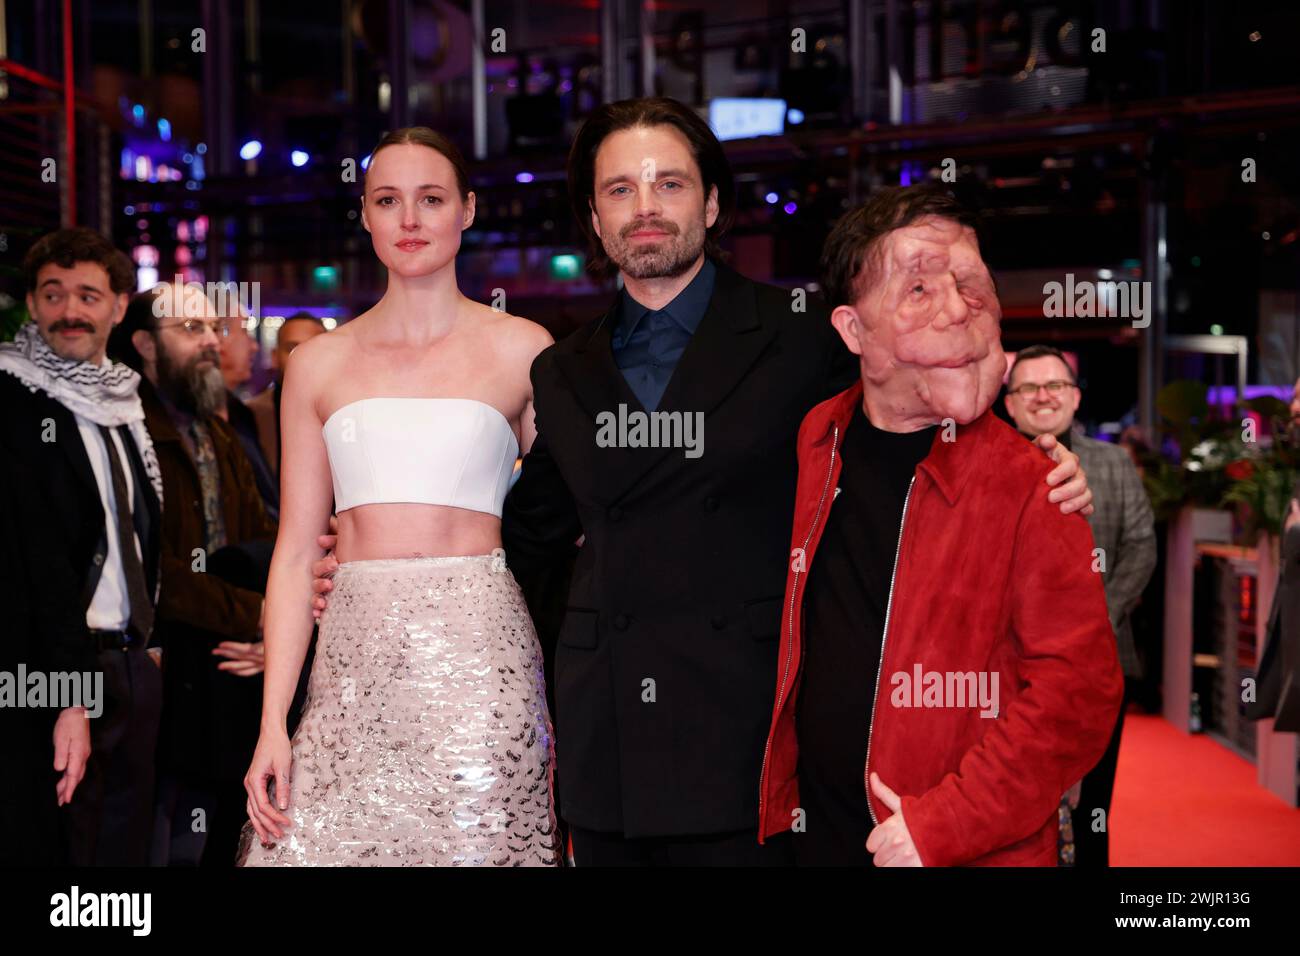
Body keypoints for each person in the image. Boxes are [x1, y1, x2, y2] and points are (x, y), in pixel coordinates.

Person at [314, 98, 1092, 866]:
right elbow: (527, 534)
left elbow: (906, 412)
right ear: (594, 215)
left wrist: (1031, 459)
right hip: (608, 736)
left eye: (670, 184)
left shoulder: (798, 338)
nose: (645, 207)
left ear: (713, 203)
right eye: (620, 189)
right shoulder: (561, 369)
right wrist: (386, 570)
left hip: (746, 739)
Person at [757, 185, 1123, 866]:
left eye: (972, 288)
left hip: (959, 849)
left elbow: (1078, 695)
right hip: (818, 833)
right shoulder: (818, 438)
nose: (959, 311)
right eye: (920, 290)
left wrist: (944, 824)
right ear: (853, 331)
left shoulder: (1035, 482)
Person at [239, 126, 560, 867]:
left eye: (431, 199)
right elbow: (294, 553)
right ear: (366, 215)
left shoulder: (526, 350)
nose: (409, 220)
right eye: (388, 200)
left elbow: (568, 516)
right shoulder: (317, 364)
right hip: (351, 672)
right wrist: (272, 724)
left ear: (467, 211)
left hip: (483, 670)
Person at [0, 227, 163, 866]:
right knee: (63, 852)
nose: (71, 311)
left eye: (89, 295)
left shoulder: (123, 400)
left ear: (119, 306)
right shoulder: (13, 401)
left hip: (131, 662)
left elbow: (139, 536)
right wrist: (68, 690)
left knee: (124, 851)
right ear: (34, 306)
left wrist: (153, 647)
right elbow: (30, 563)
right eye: (53, 294)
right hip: (51, 672)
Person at [111, 282, 276, 866]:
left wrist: (271, 627)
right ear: (145, 345)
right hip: (160, 669)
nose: (210, 342)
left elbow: (264, 536)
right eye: (189, 330)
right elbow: (153, 571)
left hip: (222, 672)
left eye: (212, 329)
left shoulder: (214, 426)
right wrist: (260, 616)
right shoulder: (126, 429)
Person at [1004, 344, 1157, 867]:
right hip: (1004, 667)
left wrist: (1097, 620)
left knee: (1093, 807)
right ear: (1008, 403)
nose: (1043, 396)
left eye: (1055, 386)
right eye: (1028, 387)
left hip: (1099, 662)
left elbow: (1141, 545)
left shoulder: (1112, 464)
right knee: (1011, 797)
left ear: (1075, 398)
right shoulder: (988, 467)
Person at [217, 305, 279, 520]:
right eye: (244, 332)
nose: (254, 347)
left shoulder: (241, 413)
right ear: (217, 338)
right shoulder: (190, 418)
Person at [245, 311, 326, 476]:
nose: (302, 356)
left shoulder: (343, 414)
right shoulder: (250, 416)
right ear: (274, 356)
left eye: (313, 347)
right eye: (292, 348)